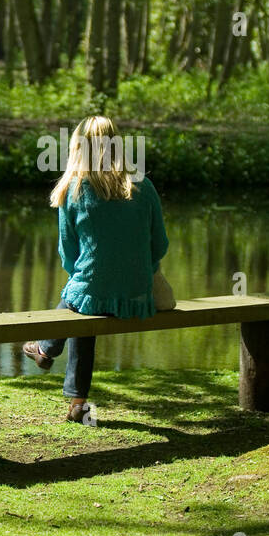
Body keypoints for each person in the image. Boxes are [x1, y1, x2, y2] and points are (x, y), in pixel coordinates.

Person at [22, 115, 170, 422]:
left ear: (78, 147)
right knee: (85, 302)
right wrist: (137, 272)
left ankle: (49, 353)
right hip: (138, 296)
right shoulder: (144, 185)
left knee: (82, 299)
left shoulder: (74, 189)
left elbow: (68, 254)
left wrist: (94, 276)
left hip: (92, 293)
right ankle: (70, 391)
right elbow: (160, 246)